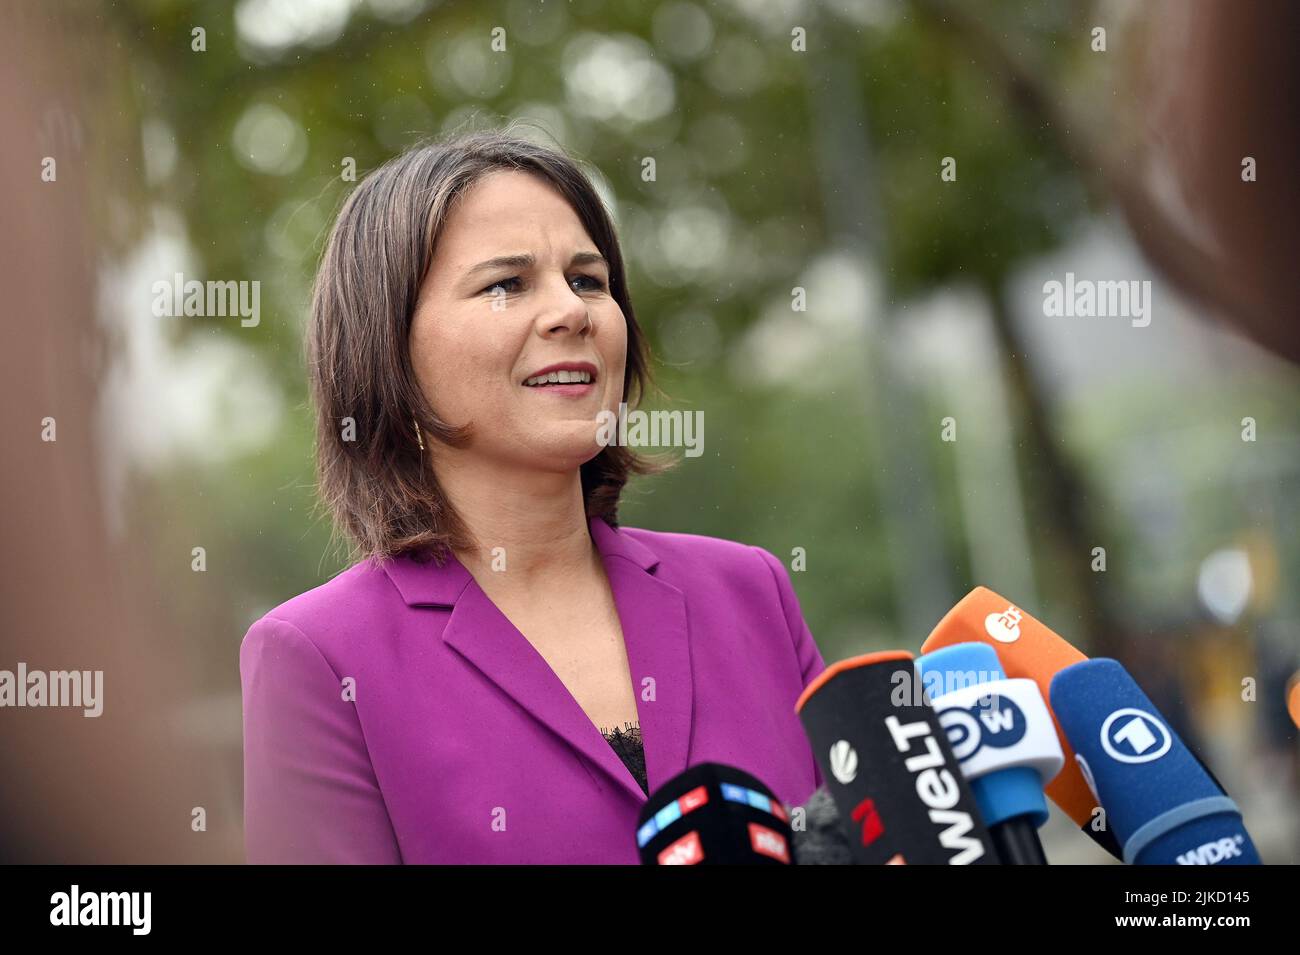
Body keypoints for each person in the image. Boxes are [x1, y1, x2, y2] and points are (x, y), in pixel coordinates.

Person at [240, 129, 826, 863]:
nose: (571, 312)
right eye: (505, 285)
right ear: (389, 349)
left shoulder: (750, 592)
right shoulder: (320, 658)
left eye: (588, 279)